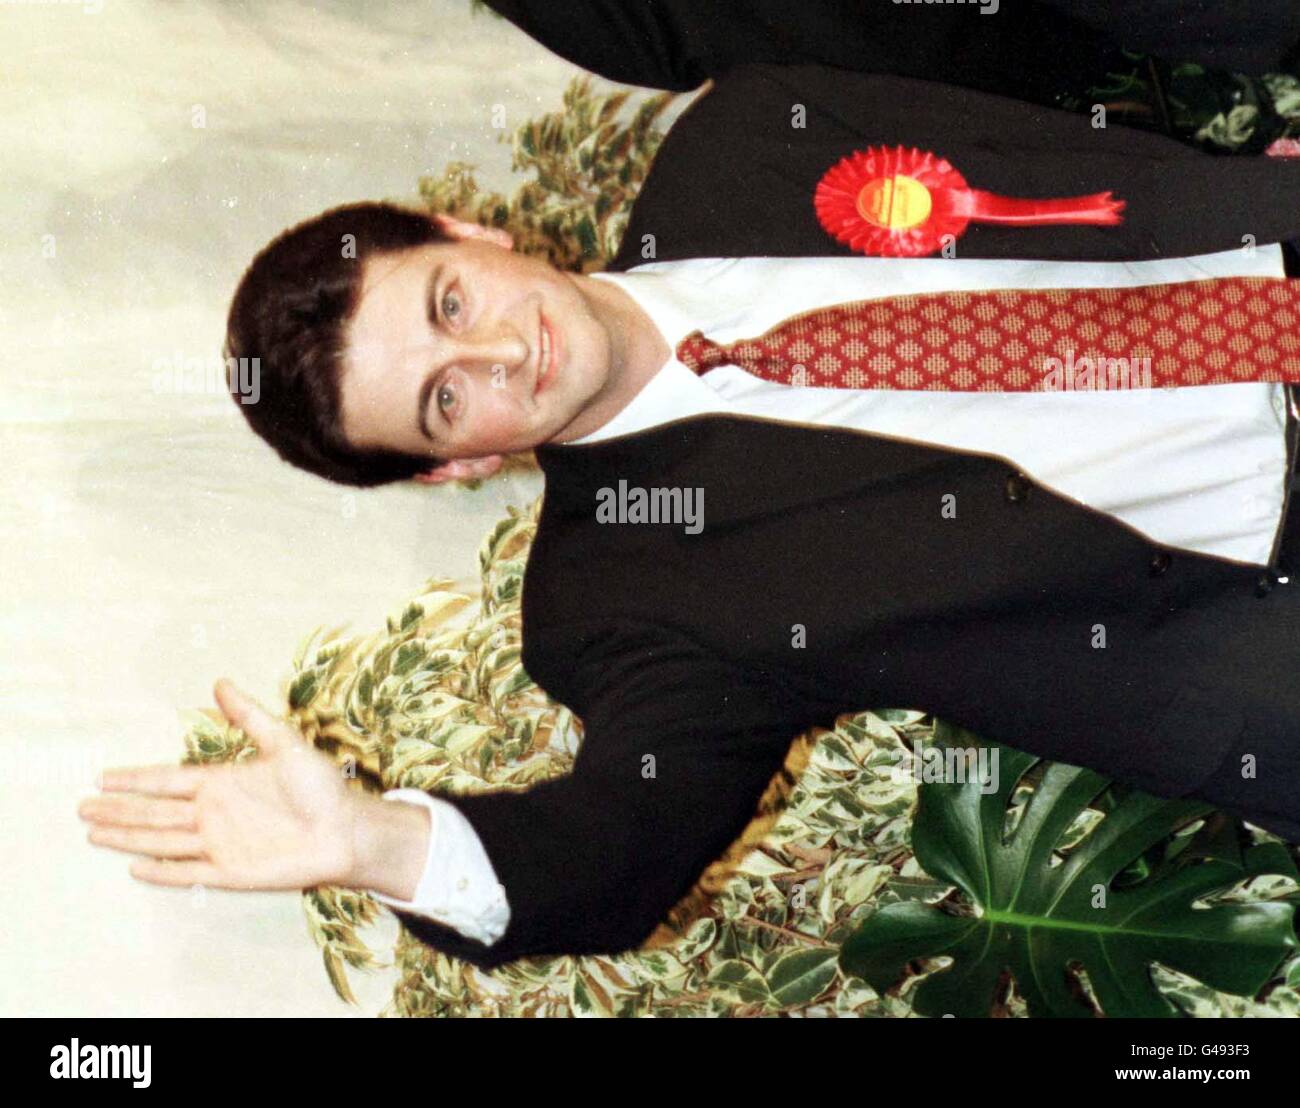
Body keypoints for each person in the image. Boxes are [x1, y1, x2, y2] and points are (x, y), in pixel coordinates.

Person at [80, 41, 1300, 971]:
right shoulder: (621, 599)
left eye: (449, 303)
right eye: (444, 402)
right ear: (451, 469)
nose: (501, 354)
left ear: (467, 232)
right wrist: (379, 847)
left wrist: (1229, 191)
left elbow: (1031, 141)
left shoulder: (749, 136)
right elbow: (615, 854)